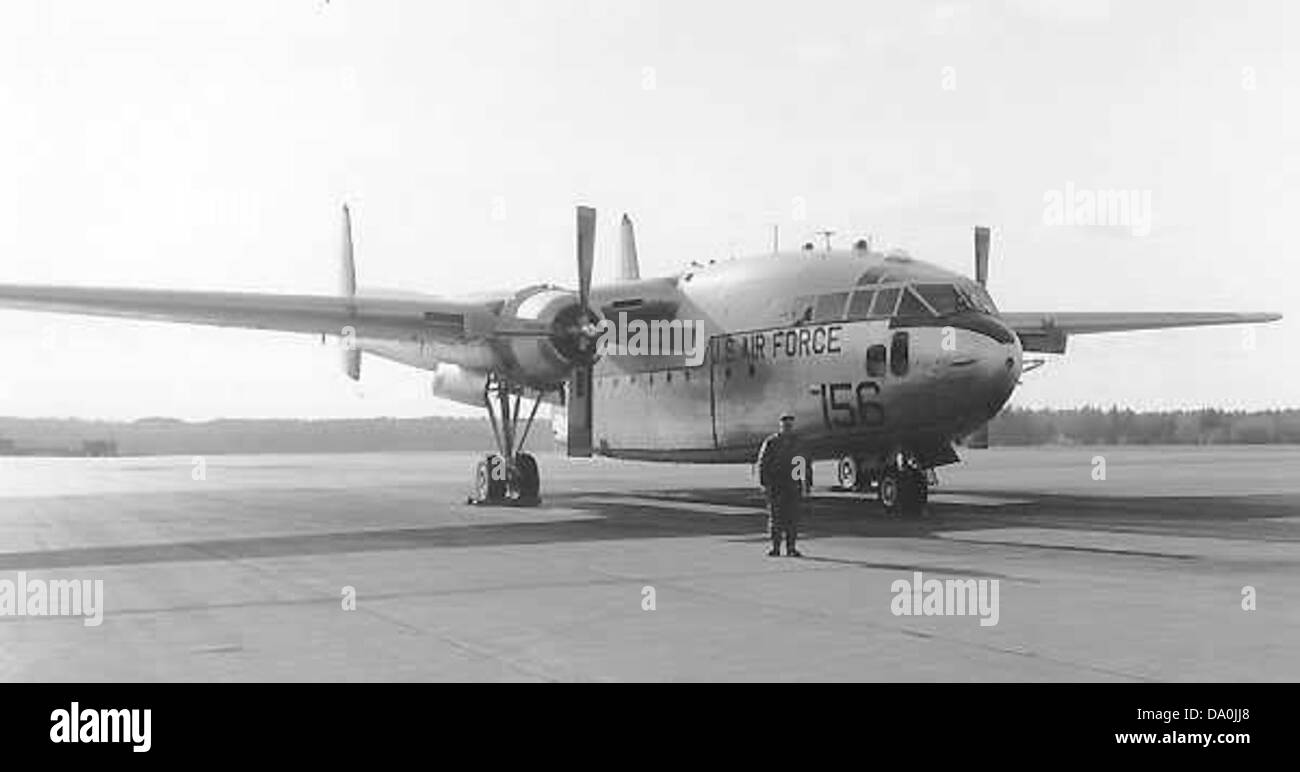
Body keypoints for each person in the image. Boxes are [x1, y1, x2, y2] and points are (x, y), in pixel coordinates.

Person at [756, 413, 807, 557]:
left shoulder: (797, 442)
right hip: (776, 484)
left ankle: (791, 548)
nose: (788, 428)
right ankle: (776, 548)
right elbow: (763, 463)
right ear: (781, 426)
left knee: (792, 518)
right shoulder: (771, 442)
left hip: (792, 484)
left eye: (790, 425)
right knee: (776, 518)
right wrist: (765, 483)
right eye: (785, 425)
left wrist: (804, 483)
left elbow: (802, 462)